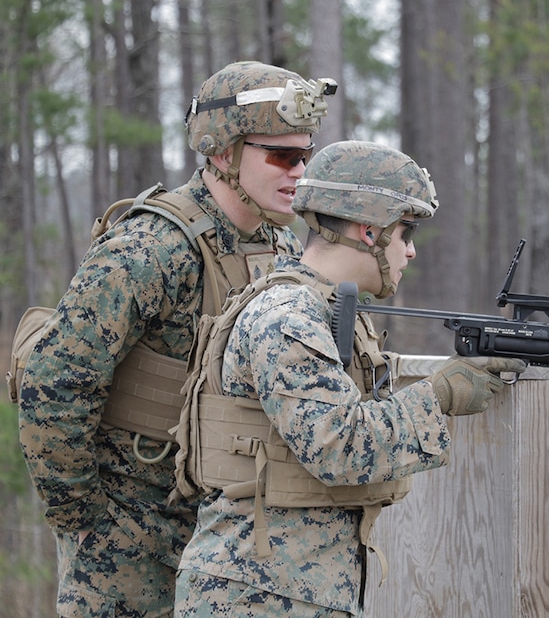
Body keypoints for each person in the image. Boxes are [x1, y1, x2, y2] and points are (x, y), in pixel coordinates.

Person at [18, 60, 336, 618]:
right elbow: (53, 385)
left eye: (306, 155)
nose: (298, 172)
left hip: (225, 540)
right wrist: (84, 519)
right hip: (129, 541)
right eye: (283, 156)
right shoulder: (149, 248)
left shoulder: (280, 250)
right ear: (222, 153)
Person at [173, 140, 526, 617]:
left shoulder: (327, 308)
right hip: (255, 595)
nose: (411, 251)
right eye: (405, 233)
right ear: (369, 231)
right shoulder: (289, 317)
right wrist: (439, 394)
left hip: (290, 588)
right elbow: (337, 444)